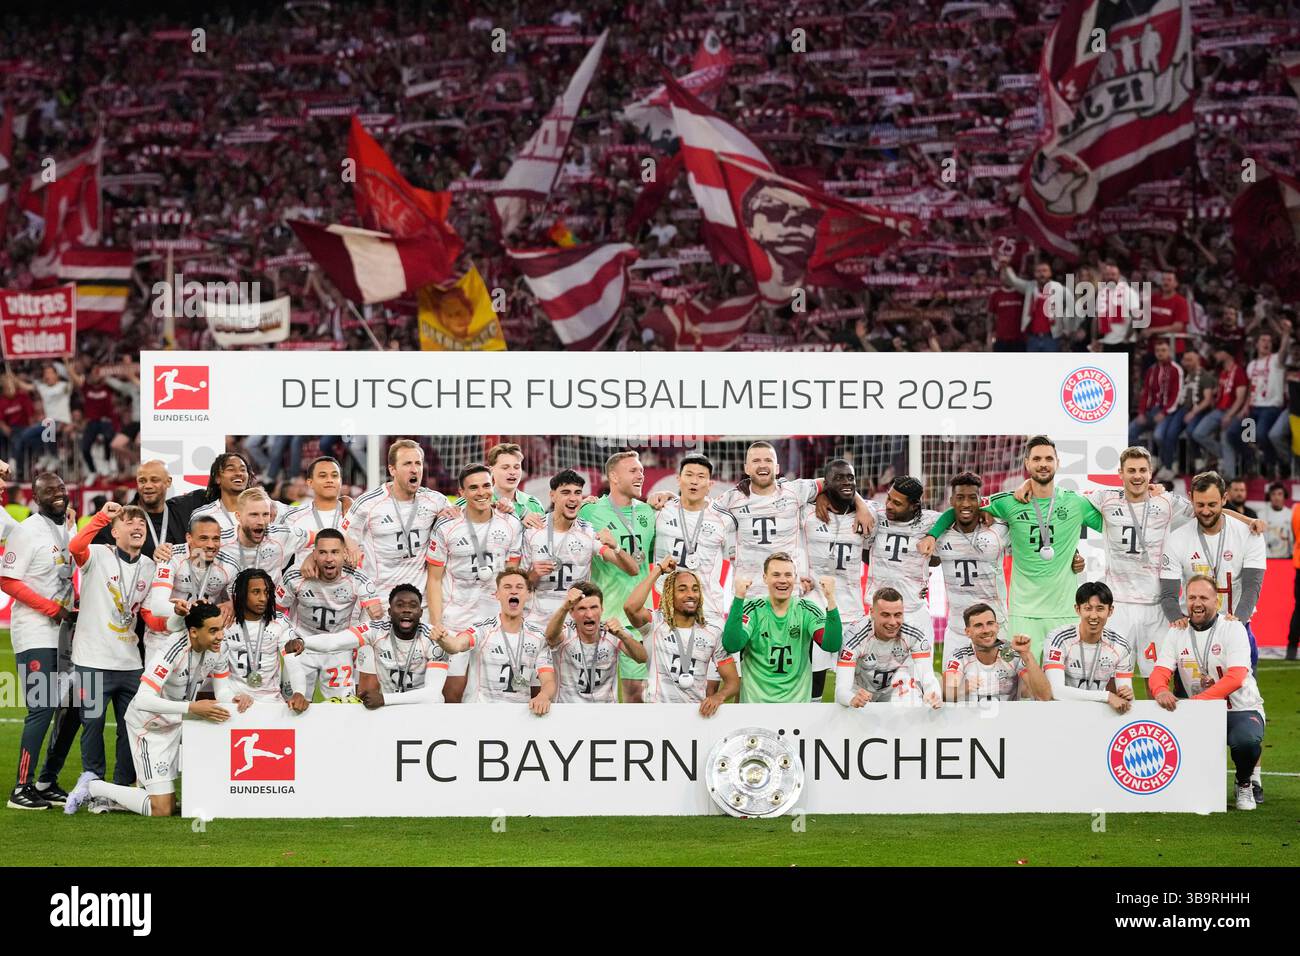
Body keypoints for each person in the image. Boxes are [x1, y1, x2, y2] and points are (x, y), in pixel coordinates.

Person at [920, 435, 1104, 660]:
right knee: (1026, 686)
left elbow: (1113, 523)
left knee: (1069, 680)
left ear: (1058, 462)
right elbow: (962, 506)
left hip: (1064, 611)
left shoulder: (1076, 503)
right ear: (1027, 463)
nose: (1043, 464)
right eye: (1036, 459)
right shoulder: (1009, 502)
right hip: (1023, 612)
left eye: (1048, 458)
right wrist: (932, 534)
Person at [63, 602, 253, 818]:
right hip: (149, 727)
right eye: (213, 631)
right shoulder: (172, 650)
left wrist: (235, 697)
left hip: (178, 724)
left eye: (221, 628)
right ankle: (94, 786)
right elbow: (143, 699)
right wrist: (191, 707)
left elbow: (223, 691)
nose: (220, 636)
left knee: (180, 804)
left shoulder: (218, 648)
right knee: (162, 809)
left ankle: (120, 796)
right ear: (193, 632)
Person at [68, 502, 166, 802]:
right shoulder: (98, 554)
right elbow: (75, 545)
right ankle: (94, 787)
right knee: (92, 726)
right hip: (92, 660)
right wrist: (101, 516)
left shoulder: (150, 566)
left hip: (129, 662)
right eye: (129, 522)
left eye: (140, 523)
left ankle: (121, 790)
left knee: (131, 729)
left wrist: (175, 618)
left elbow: (149, 614)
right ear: (114, 531)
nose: (137, 526)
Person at [1151, 575, 1266, 810]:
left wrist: (1198, 701)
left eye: (1204, 597)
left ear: (1218, 601)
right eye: (1192, 597)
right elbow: (1160, 671)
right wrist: (1160, 689)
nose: (1197, 603)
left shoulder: (1233, 628)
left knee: (1246, 742)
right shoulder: (1177, 632)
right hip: (1198, 711)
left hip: (1239, 709)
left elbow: (1235, 677)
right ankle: (1187, 785)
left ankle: (1244, 783)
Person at [2, 472, 80, 809]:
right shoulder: (26, 530)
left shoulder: (67, 528)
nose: (57, 494)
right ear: (36, 497)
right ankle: (22, 787)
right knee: (43, 705)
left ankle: (46, 780)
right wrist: (52, 608)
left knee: (76, 706)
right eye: (48, 490)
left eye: (61, 488)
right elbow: (8, 581)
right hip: (35, 629)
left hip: (67, 632)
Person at [427, 463, 525, 703]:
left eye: (486, 486)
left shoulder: (511, 524)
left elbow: (512, 576)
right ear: (461, 493)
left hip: (492, 619)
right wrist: (437, 622)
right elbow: (434, 578)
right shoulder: (447, 527)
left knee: (488, 690)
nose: (481, 492)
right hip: (455, 617)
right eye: (473, 488)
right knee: (450, 691)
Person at [1160, 471, 1266, 671]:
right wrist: (1177, 619)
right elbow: (1168, 594)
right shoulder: (1177, 538)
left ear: (1225, 499)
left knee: (1243, 700)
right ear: (1191, 498)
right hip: (1192, 630)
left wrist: (1237, 624)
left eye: (1212, 504)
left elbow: (1252, 587)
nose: (1206, 511)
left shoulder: (1250, 534)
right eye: (1200, 505)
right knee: (1187, 701)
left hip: (1236, 627)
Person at [578, 451, 658, 704]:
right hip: (601, 619)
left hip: (638, 617)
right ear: (613, 476)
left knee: (636, 694)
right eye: (633, 470)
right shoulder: (590, 512)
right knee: (593, 694)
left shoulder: (648, 512)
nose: (641, 475)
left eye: (641, 471)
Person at [298, 584, 450, 707]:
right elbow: (335, 641)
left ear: (421, 612)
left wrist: (385, 699)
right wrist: (303, 642)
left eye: (413, 606)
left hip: (426, 712)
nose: (406, 610)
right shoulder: (376, 630)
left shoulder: (435, 639)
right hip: (390, 712)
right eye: (400, 605)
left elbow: (432, 694)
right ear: (389, 612)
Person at [276, 528, 382, 702]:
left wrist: (374, 610)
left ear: (345, 554)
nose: (329, 558)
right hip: (301, 647)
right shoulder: (295, 576)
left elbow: (376, 614)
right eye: (323, 552)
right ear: (314, 554)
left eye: (335, 552)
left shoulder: (358, 578)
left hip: (338, 650)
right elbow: (278, 612)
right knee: (293, 704)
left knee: (341, 708)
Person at [521, 469, 636, 625]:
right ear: (552, 496)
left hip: (574, 626)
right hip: (538, 624)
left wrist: (616, 547)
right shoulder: (533, 531)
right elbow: (519, 587)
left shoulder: (587, 532)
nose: (573, 498)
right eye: (566, 492)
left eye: (577, 493)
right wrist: (534, 574)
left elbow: (631, 569)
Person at [722, 553, 841, 703]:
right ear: (765, 578)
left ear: (795, 578)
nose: (783, 580)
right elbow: (732, 644)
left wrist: (831, 599)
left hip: (795, 708)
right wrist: (739, 598)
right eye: (776, 575)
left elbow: (831, 644)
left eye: (788, 575)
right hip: (755, 707)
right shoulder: (753, 609)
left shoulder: (807, 609)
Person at [623, 558, 739, 712]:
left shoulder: (713, 633)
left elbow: (733, 682)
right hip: (657, 714)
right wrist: (658, 570)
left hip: (695, 716)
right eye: (682, 589)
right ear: (670, 594)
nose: (691, 594)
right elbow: (630, 607)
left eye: (695, 589)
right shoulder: (655, 623)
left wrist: (719, 696)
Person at [341, 439, 450, 600]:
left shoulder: (436, 501)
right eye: (407, 464)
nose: (414, 470)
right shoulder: (368, 504)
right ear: (392, 469)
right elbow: (340, 539)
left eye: (418, 463)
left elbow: (462, 520)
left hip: (420, 603)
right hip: (380, 601)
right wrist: (348, 542)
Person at [435, 568, 553, 710]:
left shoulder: (538, 637)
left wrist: (543, 695)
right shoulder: (482, 630)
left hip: (519, 718)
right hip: (482, 716)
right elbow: (456, 645)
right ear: (497, 594)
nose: (513, 591)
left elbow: (548, 680)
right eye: (507, 587)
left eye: (519, 587)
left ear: (528, 594)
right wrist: (443, 639)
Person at [802, 459, 870, 698]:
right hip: (816, 606)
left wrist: (859, 502)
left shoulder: (867, 515)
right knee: (815, 679)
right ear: (825, 483)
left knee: (852, 681)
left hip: (852, 609)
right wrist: (820, 496)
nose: (847, 482)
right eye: (839, 478)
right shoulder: (807, 513)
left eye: (850, 478)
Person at [934, 472, 1012, 671]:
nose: (966, 504)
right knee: (951, 693)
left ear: (981, 500)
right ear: (951, 501)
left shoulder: (999, 529)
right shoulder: (939, 535)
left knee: (1009, 690)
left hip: (996, 627)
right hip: (958, 630)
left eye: (972, 498)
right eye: (960, 498)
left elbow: (1033, 540)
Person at [651, 454, 735, 625]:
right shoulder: (660, 511)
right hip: (666, 607)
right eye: (689, 475)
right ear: (678, 479)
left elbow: (736, 563)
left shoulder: (724, 520)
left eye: (701, 476)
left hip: (708, 608)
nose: (694, 481)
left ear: (710, 484)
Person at [146, 515, 239, 657]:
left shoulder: (229, 565)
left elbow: (241, 600)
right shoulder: (170, 556)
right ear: (189, 538)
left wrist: (234, 603)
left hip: (204, 639)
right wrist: (198, 610)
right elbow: (157, 606)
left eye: (216, 539)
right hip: (166, 638)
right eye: (203, 538)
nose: (211, 545)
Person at [835, 587, 940, 708]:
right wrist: (851, 699)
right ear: (872, 613)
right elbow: (841, 690)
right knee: (847, 706)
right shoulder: (854, 636)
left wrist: (933, 694)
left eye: (898, 615)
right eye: (885, 615)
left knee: (911, 698)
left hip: (893, 689)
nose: (893, 622)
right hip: (859, 691)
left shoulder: (914, 633)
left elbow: (928, 678)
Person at [223, 569, 310, 710]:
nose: (263, 598)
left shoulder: (280, 622)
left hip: (271, 702)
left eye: (267, 592)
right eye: (256, 592)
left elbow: (292, 661)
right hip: (236, 702)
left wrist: (299, 692)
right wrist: (230, 698)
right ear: (241, 595)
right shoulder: (226, 623)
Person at [1042, 582, 1134, 712]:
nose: (1094, 616)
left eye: (1100, 608)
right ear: (1077, 609)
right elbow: (1056, 692)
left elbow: (1124, 697)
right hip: (1059, 712)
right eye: (1088, 608)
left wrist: (1126, 694)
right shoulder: (1059, 639)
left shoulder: (1120, 645)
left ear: (1110, 611)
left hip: (1096, 714)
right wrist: (1106, 696)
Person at [539, 582, 634, 703]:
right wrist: (564, 607)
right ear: (571, 612)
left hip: (606, 713)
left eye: (594, 607)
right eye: (582, 609)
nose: (589, 615)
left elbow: (641, 657)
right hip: (568, 712)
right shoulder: (566, 632)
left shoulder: (613, 632)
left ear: (602, 609)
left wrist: (623, 635)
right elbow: (551, 638)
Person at [942, 604, 1051, 702]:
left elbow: (1044, 696)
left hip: (1009, 721)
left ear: (997, 627)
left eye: (990, 623)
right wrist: (963, 689)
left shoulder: (1013, 654)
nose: (986, 630)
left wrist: (1027, 655)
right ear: (968, 632)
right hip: (972, 722)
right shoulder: (959, 657)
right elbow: (946, 694)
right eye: (978, 625)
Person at [219, 487, 313, 589]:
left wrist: (311, 557)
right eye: (254, 515)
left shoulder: (281, 535)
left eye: (265, 514)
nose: (261, 521)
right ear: (238, 516)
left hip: (270, 603)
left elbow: (322, 536)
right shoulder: (220, 542)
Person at [91, 460, 186, 559]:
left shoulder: (181, 511)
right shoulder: (120, 519)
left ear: (168, 482)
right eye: (142, 481)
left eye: (154, 480)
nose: (148, 486)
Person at [1190, 345, 1248, 477]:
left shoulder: (1238, 372)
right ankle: (1226, 457)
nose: (1215, 355)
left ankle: (1230, 477)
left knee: (1225, 439)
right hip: (1218, 410)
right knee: (1198, 433)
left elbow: (1240, 398)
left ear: (1227, 354)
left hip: (1231, 411)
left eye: (1218, 352)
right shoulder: (1223, 371)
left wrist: (1229, 415)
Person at [1245, 321, 1290, 479]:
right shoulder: (1251, 365)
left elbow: (1284, 351)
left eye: (1269, 341)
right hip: (1253, 408)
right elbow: (1250, 387)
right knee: (1245, 437)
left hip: (1270, 407)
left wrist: (1285, 334)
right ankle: (1253, 467)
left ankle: (1273, 464)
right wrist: (1245, 407)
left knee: (1262, 434)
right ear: (1256, 344)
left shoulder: (1276, 360)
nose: (1266, 343)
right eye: (1263, 340)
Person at [454, 442, 546, 518]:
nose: (512, 472)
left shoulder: (533, 503)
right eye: (505, 468)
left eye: (516, 467)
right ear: (491, 470)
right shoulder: (469, 500)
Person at [1000, 258, 1065, 352]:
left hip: (1051, 338)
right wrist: (1006, 267)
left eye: (1044, 271)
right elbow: (1013, 281)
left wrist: (1067, 331)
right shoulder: (1029, 287)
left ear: (1050, 273)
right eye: (1038, 271)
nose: (1042, 274)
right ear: (1034, 274)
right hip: (1033, 338)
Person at [1129, 340, 1183, 449]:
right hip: (1150, 410)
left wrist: (1164, 412)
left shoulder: (1176, 369)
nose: (1160, 353)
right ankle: (1145, 456)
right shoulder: (1151, 370)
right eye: (1157, 350)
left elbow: (1176, 396)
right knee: (1128, 433)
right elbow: (1146, 393)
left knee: (1158, 436)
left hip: (1167, 412)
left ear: (1170, 351)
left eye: (1163, 350)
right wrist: (1141, 412)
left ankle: (1166, 461)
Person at [182, 452, 252, 533]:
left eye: (243, 470)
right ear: (217, 478)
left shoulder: (263, 511)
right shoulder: (202, 515)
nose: (239, 473)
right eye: (231, 469)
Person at [279, 456, 354, 533]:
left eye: (334, 475)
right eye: (322, 476)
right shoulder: (293, 517)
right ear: (310, 483)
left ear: (340, 481)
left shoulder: (355, 513)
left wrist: (347, 500)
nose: (329, 480)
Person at [1263, 482, 1293, 559]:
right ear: (1269, 497)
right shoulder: (1261, 515)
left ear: (1284, 496)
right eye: (1273, 494)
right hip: (1267, 558)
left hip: (1287, 559)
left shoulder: (1291, 514)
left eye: (1280, 494)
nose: (1276, 497)